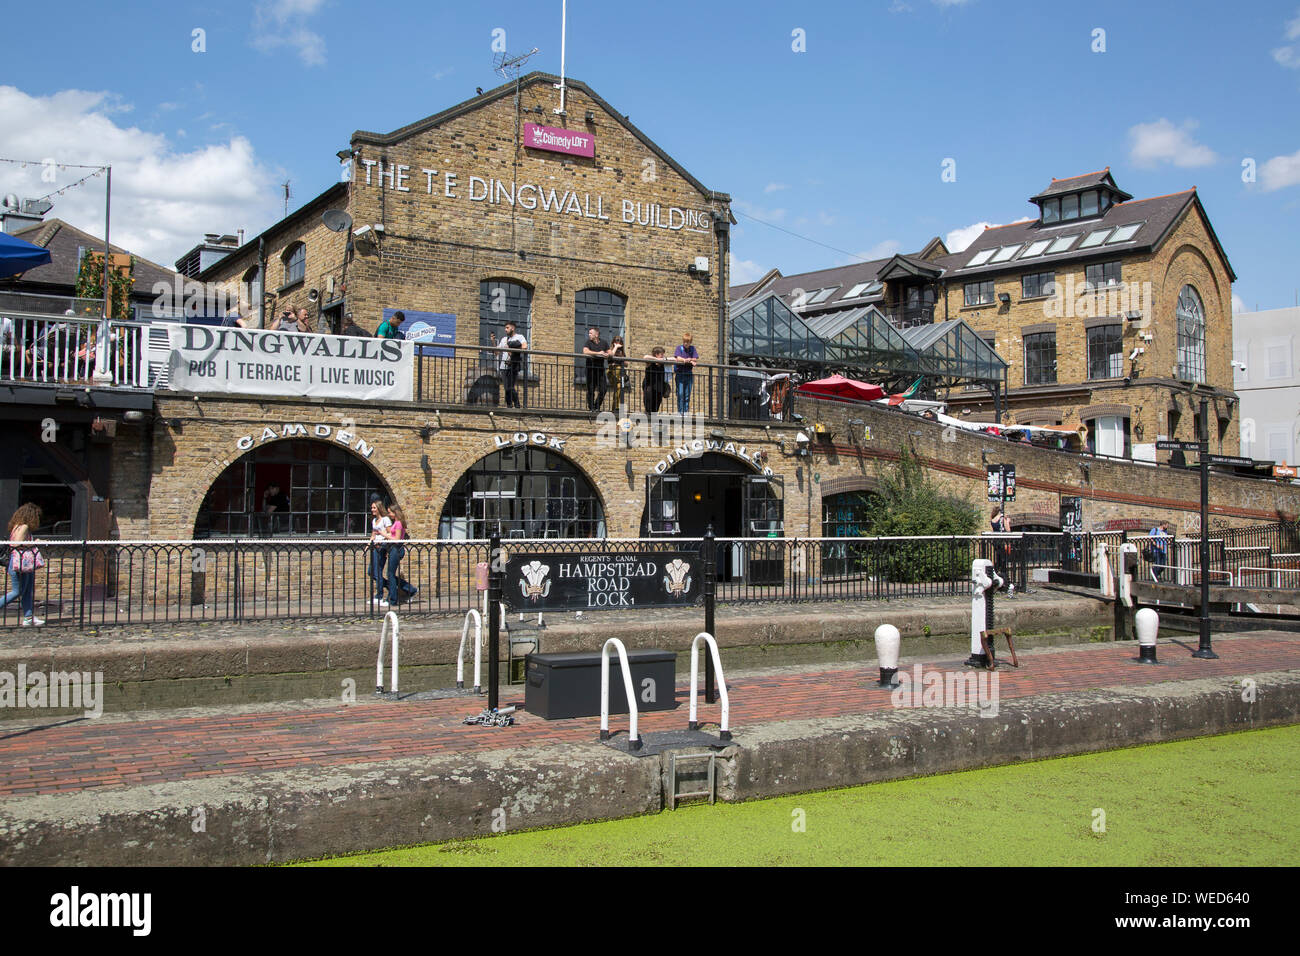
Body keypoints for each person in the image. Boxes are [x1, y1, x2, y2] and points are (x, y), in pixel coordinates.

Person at [5, 503, 45, 626]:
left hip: (24, 563)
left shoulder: (16, 526)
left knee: (27, 590)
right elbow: (17, 543)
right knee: (17, 591)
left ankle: (28, 617)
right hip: (20, 562)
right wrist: (35, 543)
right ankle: (28, 617)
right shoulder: (24, 527)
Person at [379, 503, 410, 607]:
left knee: (390, 574)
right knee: (390, 574)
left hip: (396, 549)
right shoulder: (396, 523)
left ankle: (392, 599)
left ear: (395, 512)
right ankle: (392, 597)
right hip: (393, 549)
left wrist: (384, 535)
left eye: (390, 512)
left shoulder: (398, 524)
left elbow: (397, 539)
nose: (389, 514)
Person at [496, 320, 528, 409]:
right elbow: (497, 352)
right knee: (506, 387)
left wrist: (512, 348)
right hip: (503, 366)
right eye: (505, 328)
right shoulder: (504, 339)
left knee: (510, 387)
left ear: (512, 328)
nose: (505, 330)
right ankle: (509, 405)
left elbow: (525, 347)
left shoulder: (519, 337)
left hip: (513, 365)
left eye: (507, 328)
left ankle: (517, 403)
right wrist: (493, 342)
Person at [582, 326, 609, 412]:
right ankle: (591, 407)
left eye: (591, 333)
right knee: (591, 389)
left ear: (596, 334)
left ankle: (597, 406)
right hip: (590, 369)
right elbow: (585, 351)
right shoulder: (588, 342)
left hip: (600, 370)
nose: (589, 335)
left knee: (604, 389)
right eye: (589, 333)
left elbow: (610, 352)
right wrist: (598, 353)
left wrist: (607, 354)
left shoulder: (604, 343)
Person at [673, 332, 699, 414]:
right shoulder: (679, 348)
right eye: (684, 342)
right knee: (680, 394)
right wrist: (685, 360)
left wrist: (690, 359)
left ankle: (685, 412)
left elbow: (695, 359)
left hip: (688, 374)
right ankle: (680, 412)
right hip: (680, 374)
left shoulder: (692, 349)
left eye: (687, 342)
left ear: (690, 342)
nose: (686, 343)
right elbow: (677, 358)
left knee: (687, 395)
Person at [642, 346, 668, 414]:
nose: (663, 356)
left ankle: (653, 420)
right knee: (648, 404)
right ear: (656, 354)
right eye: (662, 354)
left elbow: (674, 359)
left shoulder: (662, 363)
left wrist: (663, 359)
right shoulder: (650, 362)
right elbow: (645, 357)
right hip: (649, 387)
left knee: (656, 407)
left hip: (659, 388)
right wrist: (656, 359)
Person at [606, 335, 628, 411]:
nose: (618, 341)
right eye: (616, 340)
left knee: (618, 388)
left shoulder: (622, 352)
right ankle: (616, 407)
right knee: (618, 387)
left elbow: (626, 363)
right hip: (612, 372)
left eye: (620, 340)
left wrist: (621, 356)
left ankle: (615, 408)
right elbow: (610, 356)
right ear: (613, 341)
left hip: (620, 373)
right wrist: (615, 347)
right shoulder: (610, 349)